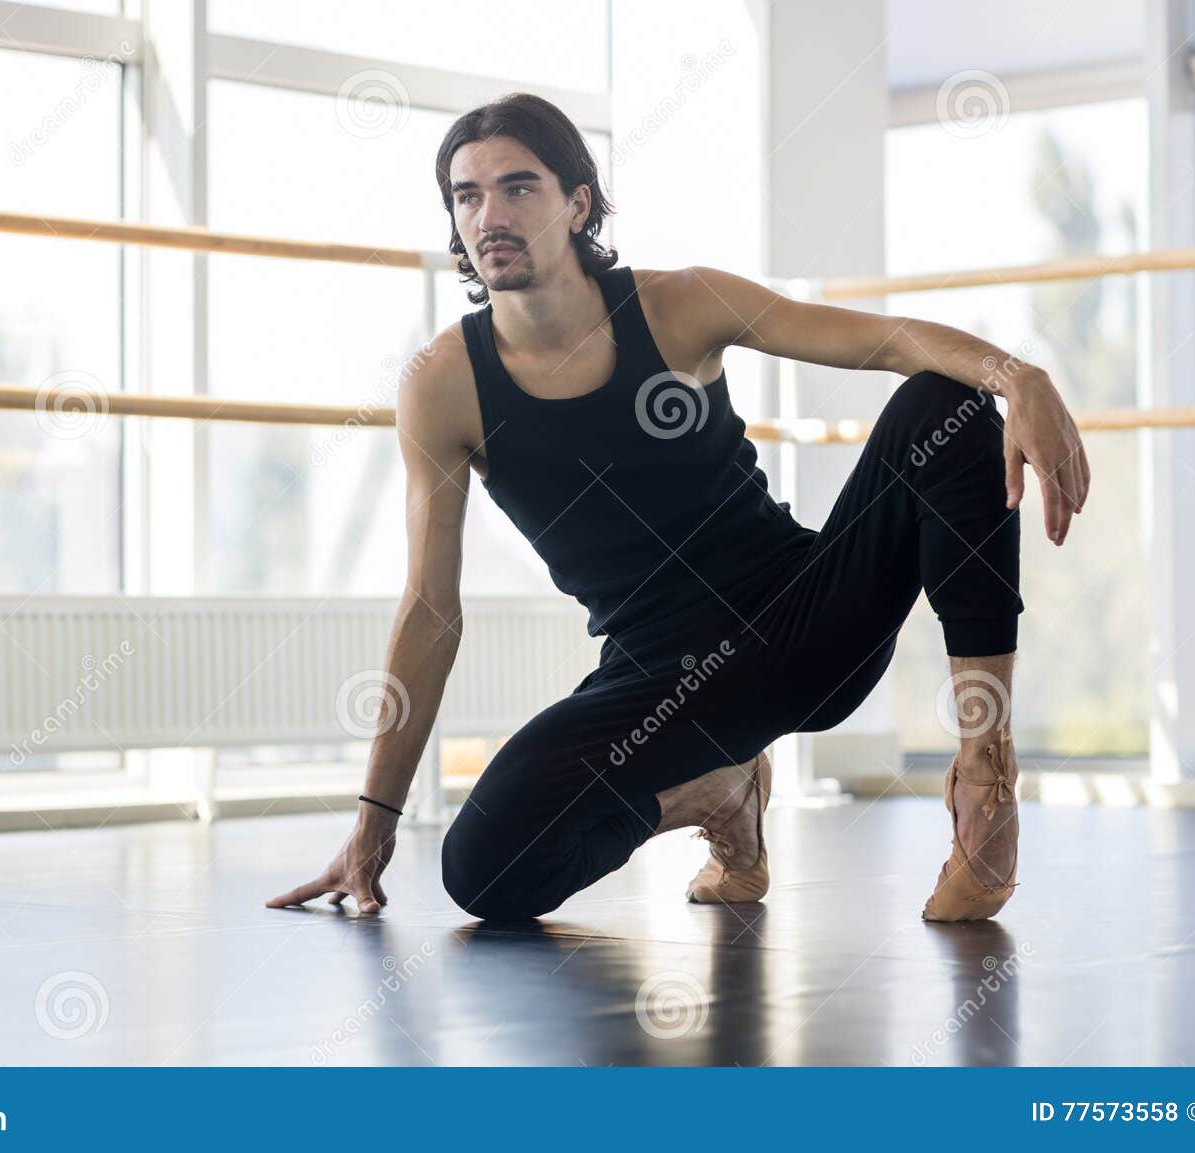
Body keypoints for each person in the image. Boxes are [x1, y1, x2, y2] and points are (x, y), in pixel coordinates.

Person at [267, 92, 1088, 923]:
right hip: (659, 683)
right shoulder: (442, 385)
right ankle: (717, 795)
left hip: (809, 622)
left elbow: (885, 341)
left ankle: (985, 775)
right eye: (467, 196)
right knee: (482, 866)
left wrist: (1018, 376)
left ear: (577, 204)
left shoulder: (679, 304)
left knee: (947, 403)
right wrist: (372, 825)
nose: (490, 217)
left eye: (518, 187)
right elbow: (430, 609)